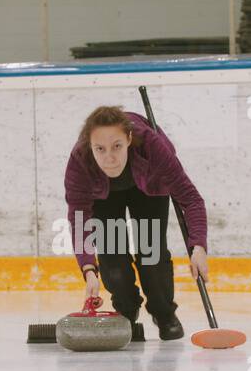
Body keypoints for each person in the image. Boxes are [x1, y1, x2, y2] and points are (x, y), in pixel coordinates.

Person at [64, 105, 209, 340]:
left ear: (129, 139)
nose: (109, 158)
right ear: (89, 146)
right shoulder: (80, 160)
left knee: (152, 254)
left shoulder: (153, 147)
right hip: (104, 194)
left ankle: (164, 314)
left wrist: (199, 247)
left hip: (149, 188)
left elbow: (190, 199)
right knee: (112, 259)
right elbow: (79, 216)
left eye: (117, 146)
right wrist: (88, 268)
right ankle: (126, 312)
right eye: (100, 148)